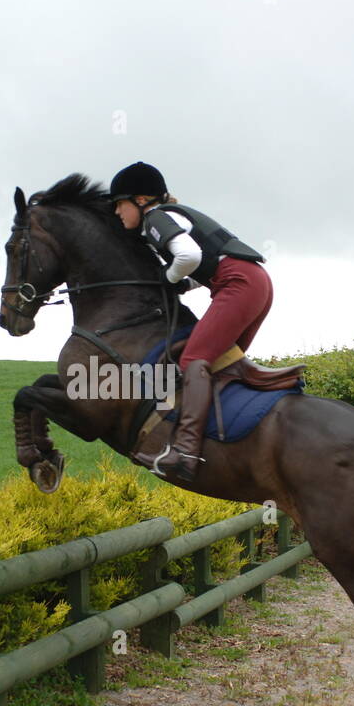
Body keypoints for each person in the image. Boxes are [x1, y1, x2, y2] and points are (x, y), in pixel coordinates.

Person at [109, 161, 274, 481]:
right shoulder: (176, 214)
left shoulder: (156, 218)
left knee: (194, 359)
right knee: (220, 366)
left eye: (120, 204)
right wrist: (184, 283)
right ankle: (226, 442)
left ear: (141, 201)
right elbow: (207, 262)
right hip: (255, 282)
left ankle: (184, 452)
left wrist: (169, 278)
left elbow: (189, 257)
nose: (117, 212)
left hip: (238, 284)